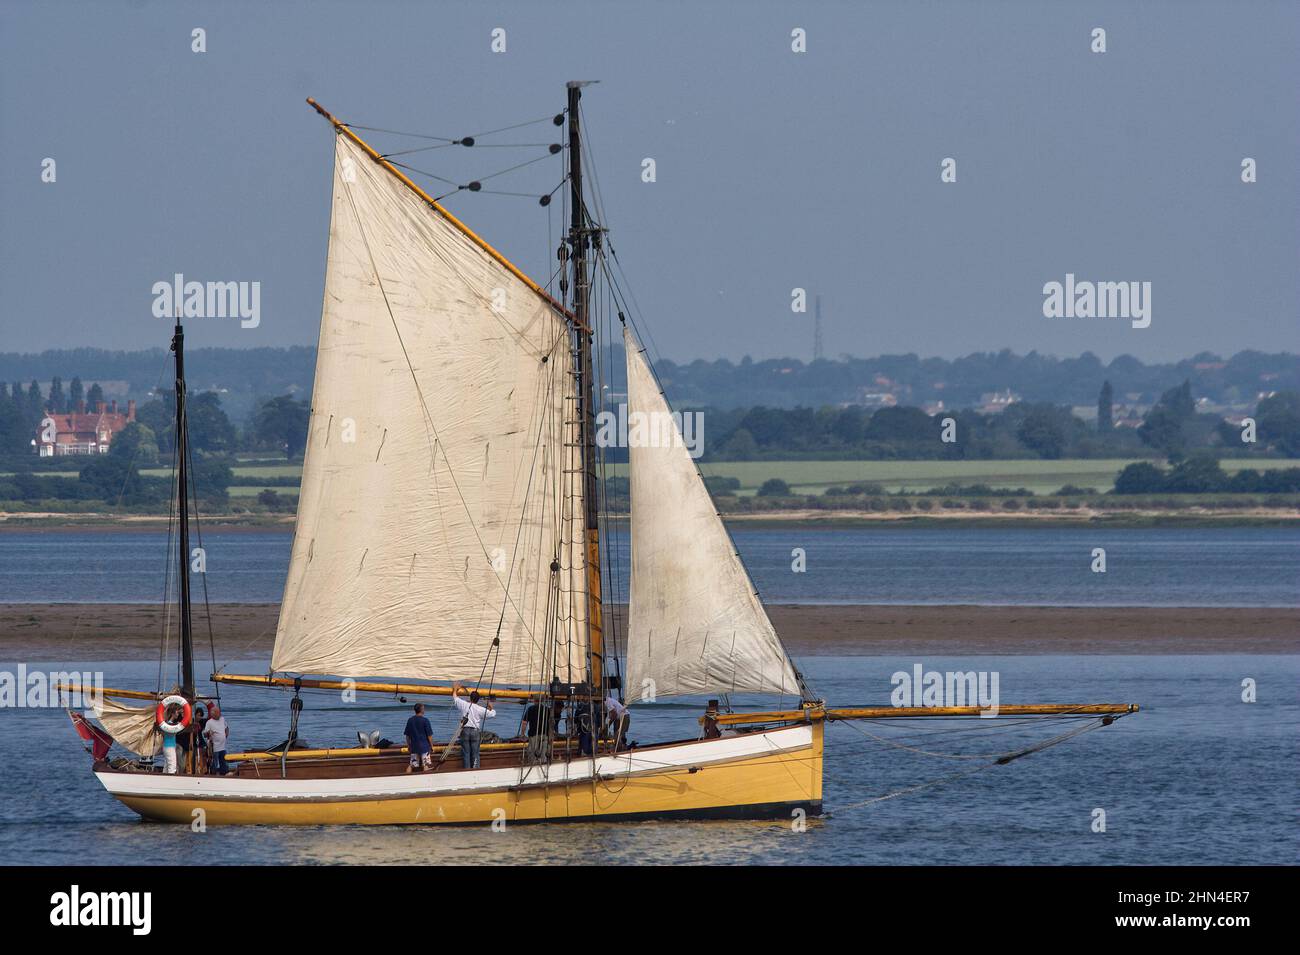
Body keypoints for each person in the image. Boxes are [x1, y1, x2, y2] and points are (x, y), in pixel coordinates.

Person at [449, 681, 495, 769]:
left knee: (466, 753)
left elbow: (455, 698)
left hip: (465, 731)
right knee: (475, 753)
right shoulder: (480, 709)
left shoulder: (464, 704)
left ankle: (466, 770)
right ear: (478, 700)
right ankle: (475, 769)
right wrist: (491, 707)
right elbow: (492, 714)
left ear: (470, 698)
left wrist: (455, 689)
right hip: (474, 731)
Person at [403, 703, 435, 773]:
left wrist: (409, 745)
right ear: (422, 710)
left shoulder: (410, 720)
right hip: (424, 747)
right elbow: (429, 735)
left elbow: (407, 736)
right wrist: (432, 746)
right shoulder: (425, 720)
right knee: (425, 765)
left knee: (411, 765)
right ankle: (426, 781)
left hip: (414, 746)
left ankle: (406, 778)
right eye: (423, 708)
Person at [203, 704, 231, 776]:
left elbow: (226, 728)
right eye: (218, 713)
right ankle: (213, 773)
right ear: (213, 714)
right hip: (215, 747)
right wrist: (209, 733)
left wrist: (225, 735)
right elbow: (205, 734)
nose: (219, 714)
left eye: (219, 712)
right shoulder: (209, 722)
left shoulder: (222, 719)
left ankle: (224, 773)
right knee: (215, 762)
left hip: (223, 746)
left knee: (224, 761)